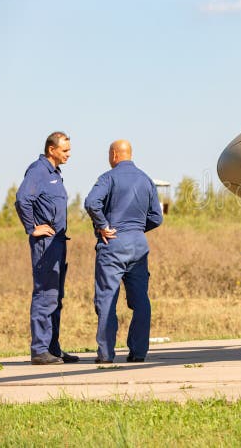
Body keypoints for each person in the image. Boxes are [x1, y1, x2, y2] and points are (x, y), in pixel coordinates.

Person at [85, 140, 163, 363]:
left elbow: (92, 202)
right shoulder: (146, 179)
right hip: (139, 245)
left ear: (113, 154)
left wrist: (103, 226)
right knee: (141, 300)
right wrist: (137, 230)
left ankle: (107, 354)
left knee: (107, 298)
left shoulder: (108, 178)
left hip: (113, 244)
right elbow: (157, 218)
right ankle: (138, 352)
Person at [15, 131, 79, 365]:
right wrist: (32, 227)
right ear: (51, 150)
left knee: (56, 297)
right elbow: (23, 198)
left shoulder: (54, 173)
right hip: (46, 244)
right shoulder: (38, 171)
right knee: (45, 294)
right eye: (65, 150)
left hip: (58, 243)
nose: (69, 154)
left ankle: (52, 348)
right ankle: (40, 350)